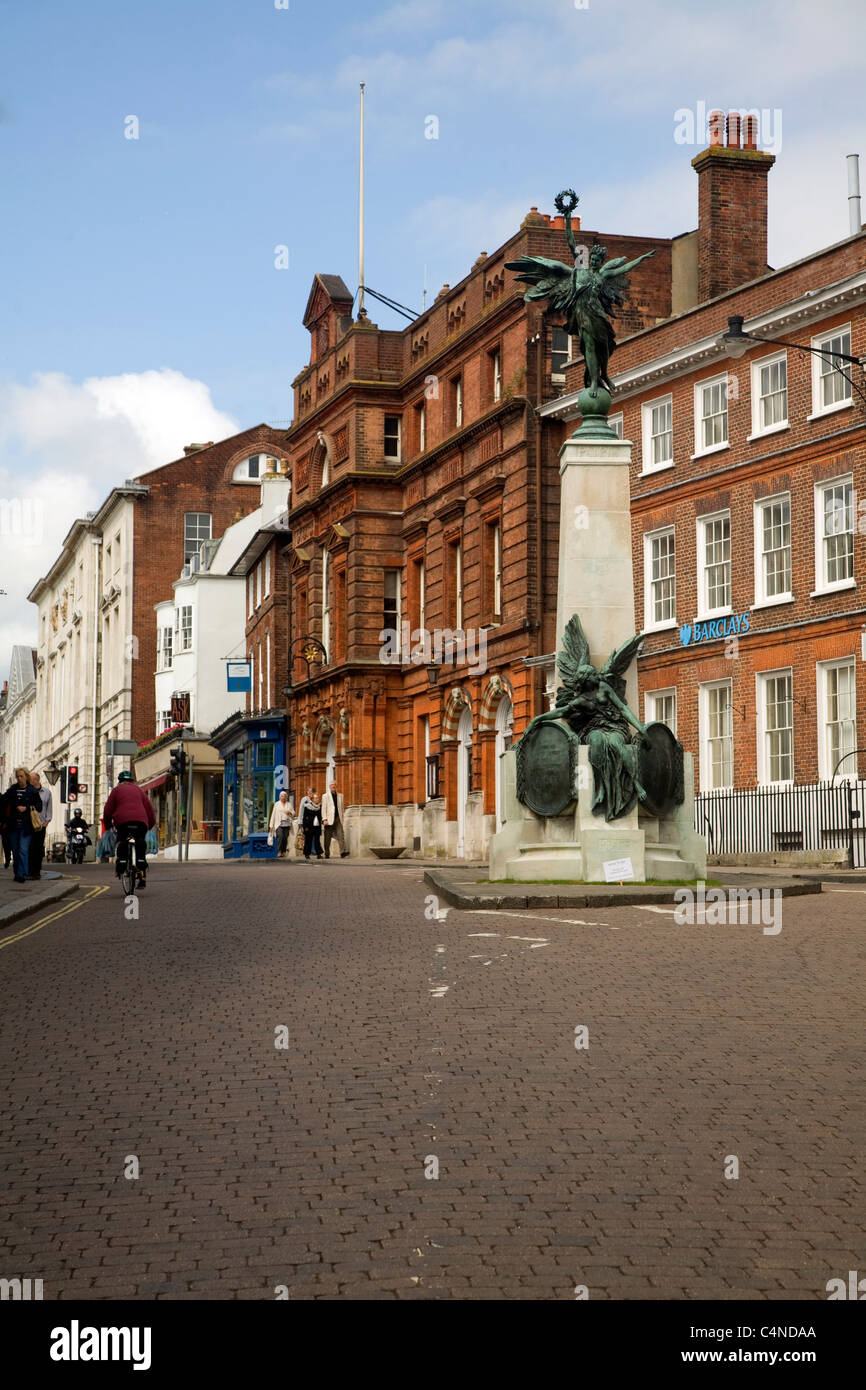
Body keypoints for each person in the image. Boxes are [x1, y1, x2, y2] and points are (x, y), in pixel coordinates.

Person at [102, 770, 156, 888]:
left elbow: (108, 810)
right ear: (132, 781)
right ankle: (142, 875)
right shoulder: (139, 790)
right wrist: (150, 825)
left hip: (123, 823)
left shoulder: (116, 790)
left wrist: (107, 825)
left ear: (120, 781)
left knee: (122, 840)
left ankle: (121, 864)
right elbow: (150, 809)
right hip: (140, 823)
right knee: (140, 843)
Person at [2, 767, 43, 884]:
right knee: (15, 851)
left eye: (21, 776)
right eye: (18, 777)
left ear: (26, 777)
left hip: (26, 826)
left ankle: (22, 874)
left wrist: (27, 807)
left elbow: (39, 806)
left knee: (23, 850)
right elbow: (3, 801)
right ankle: (17, 873)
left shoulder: (32, 791)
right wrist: (14, 807)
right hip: (13, 825)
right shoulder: (12, 790)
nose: (19, 779)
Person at [27, 770, 53, 881]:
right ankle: (29, 871)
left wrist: (46, 823)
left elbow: (49, 809)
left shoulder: (46, 792)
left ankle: (37, 872)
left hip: (41, 826)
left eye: (31, 779)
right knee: (29, 849)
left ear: (36, 780)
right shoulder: (27, 791)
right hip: (28, 825)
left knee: (38, 849)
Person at [322, 779, 349, 859]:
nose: (333, 786)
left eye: (334, 785)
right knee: (327, 837)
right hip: (329, 819)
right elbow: (324, 808)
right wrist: (324, 819)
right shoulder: (325, 796)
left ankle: (342, 852)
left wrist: (342, 817)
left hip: (338, 818)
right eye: (332, 785)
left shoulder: (341, 796)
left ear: (336, 786)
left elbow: (341, 808)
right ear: (329, 787)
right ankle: (327, 853)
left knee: (341, 835)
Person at [268, 790, 296, 857]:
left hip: (287, 823)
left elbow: (294, 813)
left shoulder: (289, 804)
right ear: (279, 797)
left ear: (286, 797)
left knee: (285, 837)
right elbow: (273, 815)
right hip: (279, 824)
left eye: (284, 796)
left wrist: (289, 812)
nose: (283, 797)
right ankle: (279, 851)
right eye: (282, 796)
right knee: (280, 836)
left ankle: (283, 851)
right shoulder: (276, 804)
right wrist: (271, 825)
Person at [301, 791, 323, 861]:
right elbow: (304, 818)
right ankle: (307, 854)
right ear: (312, 799)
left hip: (317, 826)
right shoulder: (307, 807)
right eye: (315, 798)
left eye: (318, 798)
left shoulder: (320, 807)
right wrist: (305, 827)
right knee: (308, 841)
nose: (317, 799)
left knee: (317, 840)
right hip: (309, 826)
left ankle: (319, 854)